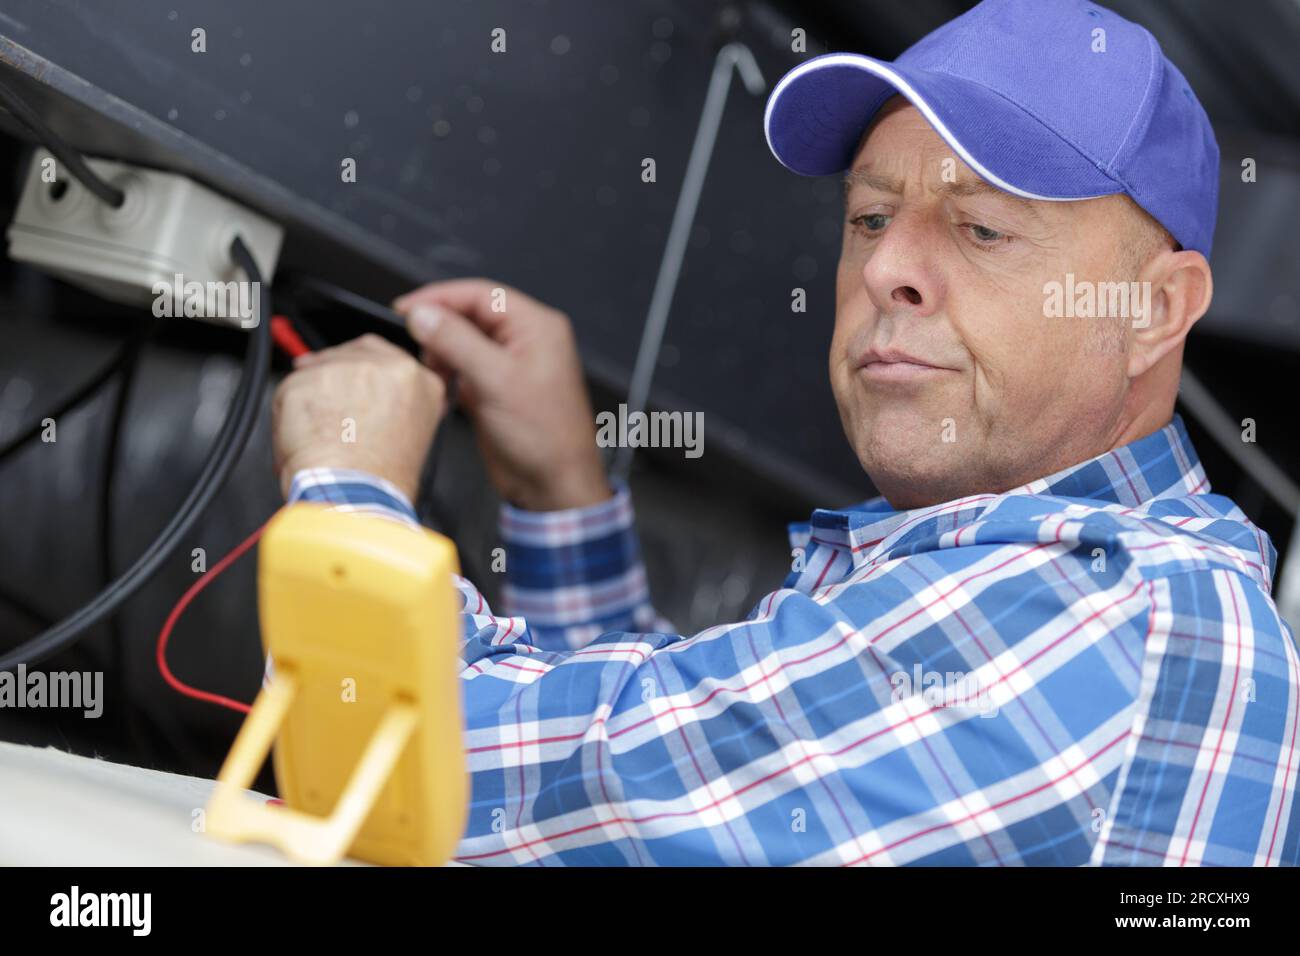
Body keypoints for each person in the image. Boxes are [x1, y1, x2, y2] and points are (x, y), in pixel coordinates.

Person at [271, 0, 1299, 865]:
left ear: (1155, 311)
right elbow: (691, 774)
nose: (886, 265)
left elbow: (444, 785)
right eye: (867, 218)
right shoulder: (1067, 583)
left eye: (980, 227)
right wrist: (560, 498)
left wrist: (348, 492)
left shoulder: (1120, 605)